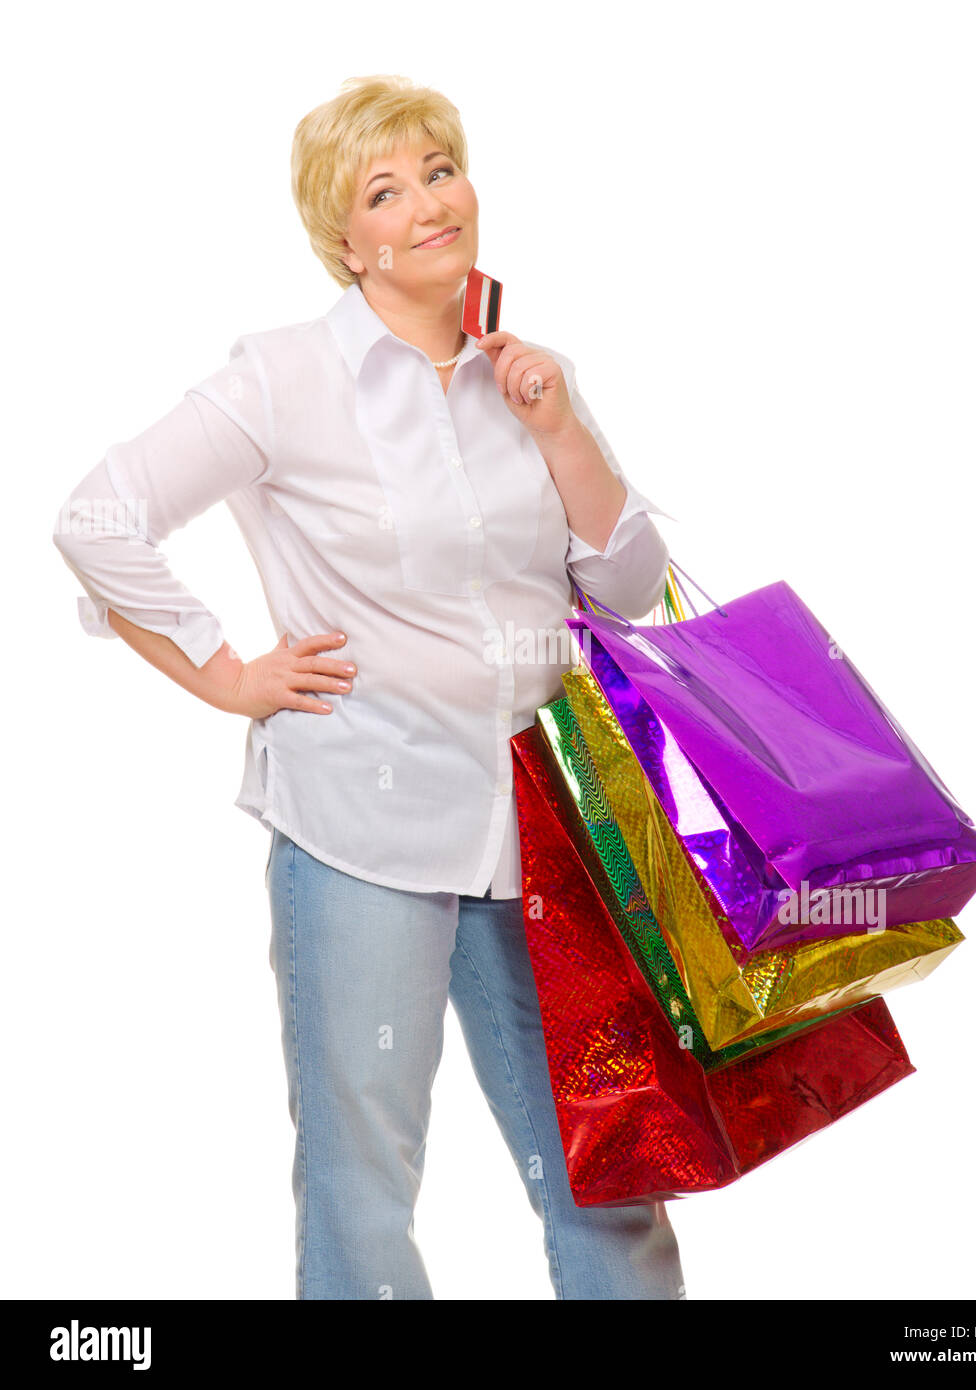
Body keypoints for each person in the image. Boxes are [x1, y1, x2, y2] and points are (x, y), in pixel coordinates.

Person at [52, 74, 684, 1300]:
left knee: (609, 1165)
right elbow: (99, 519)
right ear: (344, 243)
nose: (426, 203)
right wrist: (227, 673)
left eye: (438, 170)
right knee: (363, 1187)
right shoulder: (283, 377)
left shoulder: (526, 372)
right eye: (382, 192)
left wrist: (558, 429)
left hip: (547, 827)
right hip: (360, 829)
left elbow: (630, 588)